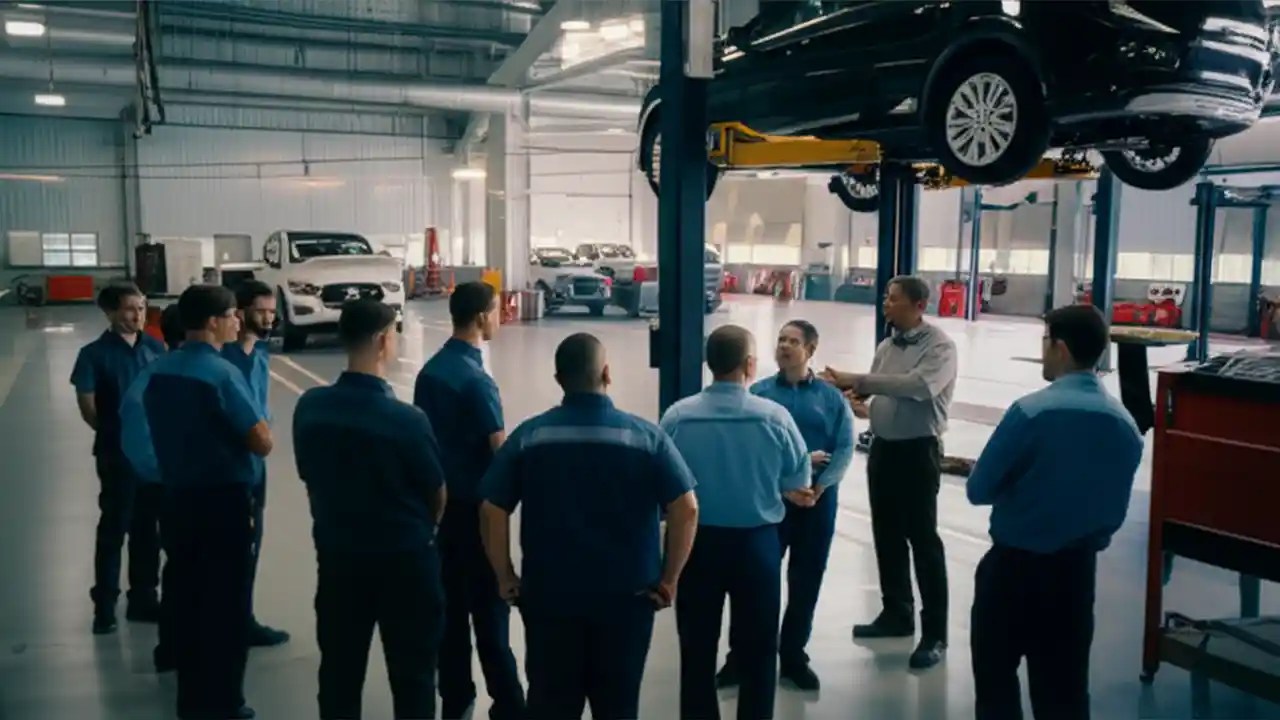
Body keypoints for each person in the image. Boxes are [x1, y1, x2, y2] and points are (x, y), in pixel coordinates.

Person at [479, 333, 700, 719]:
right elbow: (687, 508)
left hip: (550, 599)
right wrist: (670, 579)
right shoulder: (645, 438)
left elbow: (491, 508)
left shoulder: (531, 437)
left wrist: (505, 575)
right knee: (617, 704)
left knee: (550, 703)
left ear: (558, 378)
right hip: (627, 602)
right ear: (607, 374)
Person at [966, 305, 1142, 720]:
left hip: (1013, 573)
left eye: (1045, 343)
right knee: (1063, 693)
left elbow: (978, 489)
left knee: (996, 687)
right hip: (1075, 577)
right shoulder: (1124, 424)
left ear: (1060, 348)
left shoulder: (1030, 413)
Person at [294, 300, 448, 720]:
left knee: (340, 670)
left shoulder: (311, 407)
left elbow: (307, 472)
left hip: (339, 557)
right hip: (405, 562)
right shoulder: (406, 420)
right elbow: (436, 494)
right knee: (413, 673)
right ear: (384, 340)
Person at [134, 284, 273, 720]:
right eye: (232, 314)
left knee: (187, 595)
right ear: (213, 321)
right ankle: (225, 701)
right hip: (223, 503)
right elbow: (261, 439)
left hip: (176, 498)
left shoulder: (159, 369)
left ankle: (189, 699)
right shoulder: (221, 373)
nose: (238, 320)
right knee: (227, 608)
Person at [661, 325, 812, 720]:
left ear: (710, 364)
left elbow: (663, 483)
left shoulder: (679, 417)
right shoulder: (775, 419)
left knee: (696, 649)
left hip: (697, 545)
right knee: (760, 649)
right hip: (757, 547)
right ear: (749, 364)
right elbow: (798, 481)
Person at [822, 275, 957, 670]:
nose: (886, 304)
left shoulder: (940, 347)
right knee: (887, 534)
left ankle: (935, 633)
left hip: (918, 453)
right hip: (883, 449)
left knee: (923, 540)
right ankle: (897, 613)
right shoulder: (886, 345)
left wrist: (858, 379)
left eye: (893, 299)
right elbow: (881, 391)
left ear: (919, 305)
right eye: (885, 297)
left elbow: (918, 387)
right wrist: (853, 396)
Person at [718, 320, 855, 691]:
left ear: (811, 350)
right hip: (770, 503)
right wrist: (789, 479)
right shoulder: (759, 394)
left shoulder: (832, 399)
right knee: (754, 584)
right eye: (780, 339)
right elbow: (753, 449)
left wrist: (822, 486)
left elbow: (845, 447)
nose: (784, 346)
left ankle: (793, 655)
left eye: (793, 341)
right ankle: (740, 657)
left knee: (805, 582)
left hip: (817, 503)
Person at [413, 281, 525, 720]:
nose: (498, 319)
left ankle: (456, 698)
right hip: (477, 514)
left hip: (441, 510)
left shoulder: (432, 371)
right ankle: (509, 703)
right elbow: (500, 451)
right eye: (496, 311)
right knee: (492, 614)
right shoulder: (477, 381)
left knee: (451, 613)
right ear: (481, 317)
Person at [70, 282, 166, 635]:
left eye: (141, 308)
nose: (137, 315)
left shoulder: (155, 349)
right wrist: (117, 434)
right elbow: (88, 407)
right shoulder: (93, 355)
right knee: (115, 527)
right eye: (128, 308)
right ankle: (105, 606)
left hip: (152, 455)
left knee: (147, 529)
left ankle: (143, 598)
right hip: (117, 454)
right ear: (109, 313)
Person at [221, 280, 289, 648]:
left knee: (251, 544)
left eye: (271, 310)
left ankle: (242, 618)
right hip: (229, 466)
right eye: (261, 310)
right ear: (241, 312)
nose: (268, 318)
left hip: (255, 466)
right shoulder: (223, 359)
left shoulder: (261, 354)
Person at [120, 302, 186, 672]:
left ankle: (173, 645)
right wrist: (165, 474)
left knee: (178, 565)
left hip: (165, 478)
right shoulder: (182, 375)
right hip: (172, 483)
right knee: (182, 563)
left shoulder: (153, 372)